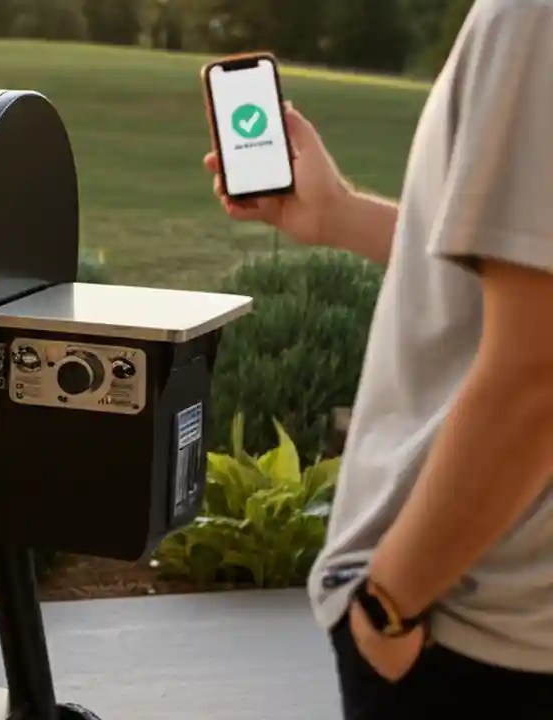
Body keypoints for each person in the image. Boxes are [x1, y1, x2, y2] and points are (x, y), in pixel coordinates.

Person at [202, 0, 553, 717]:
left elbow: (537, 372)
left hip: (475, 631)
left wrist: (389, 602)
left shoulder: (534, 18)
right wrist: (339, 216)